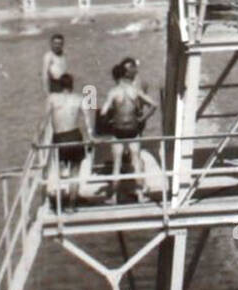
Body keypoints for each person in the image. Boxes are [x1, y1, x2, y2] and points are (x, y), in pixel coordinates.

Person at [99, 63, 158, 202]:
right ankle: (141, 195)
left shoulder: (113, 92)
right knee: (136, 161)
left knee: (117, 163)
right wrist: (142, 118)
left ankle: (113, 196)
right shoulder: (135, 90)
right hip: (133, 129)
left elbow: (103, 112)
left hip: (118, 130)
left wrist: (109, 120)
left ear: (115, 78)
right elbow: (154, 105)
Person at [47, 73, 87, 173]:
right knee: (75, 168)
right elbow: (87, 120)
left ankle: (59, 184)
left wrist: (36, 139)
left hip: (59, 138)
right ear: (72, 85)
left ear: (60, 86)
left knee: (59, 169)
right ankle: (73, 188)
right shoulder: (78, 99)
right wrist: (90, 136)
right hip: (74, 136)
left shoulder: (52, 99)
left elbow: (43, 122)